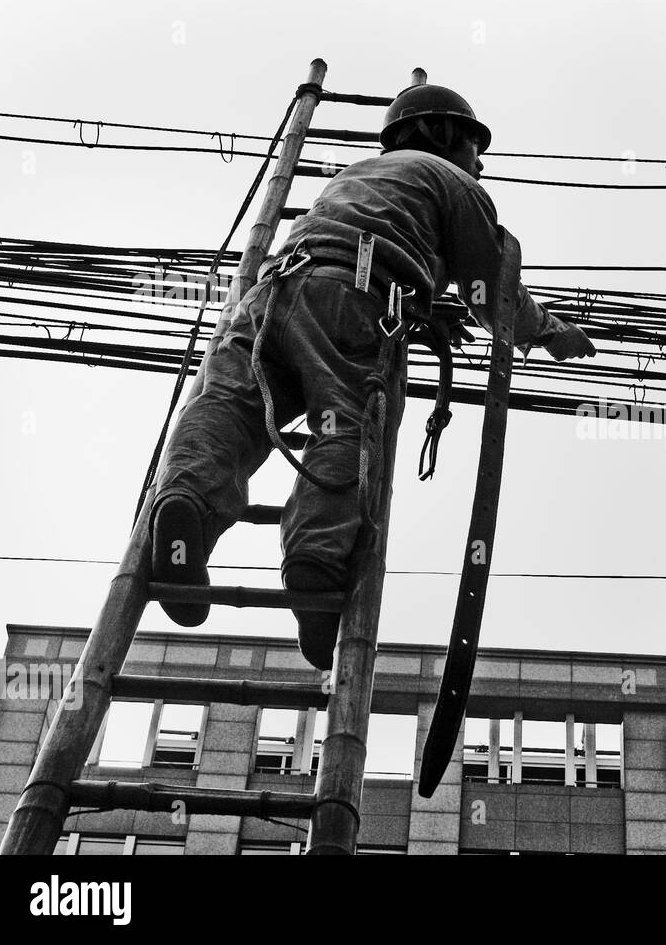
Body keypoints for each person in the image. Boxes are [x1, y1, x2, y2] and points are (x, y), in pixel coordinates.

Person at [148, 73, 595, 670]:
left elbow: (372, 236)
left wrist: (427, 309)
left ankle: (186, 511)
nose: (480, 165)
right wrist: (547, 330)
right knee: (348, 425)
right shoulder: (453, 183)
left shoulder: (352, 177)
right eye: (474, 148)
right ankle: (315, 564)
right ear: (440, 135)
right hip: (353, 301)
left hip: (272, 291)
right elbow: (493, 293)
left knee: (229, 407)